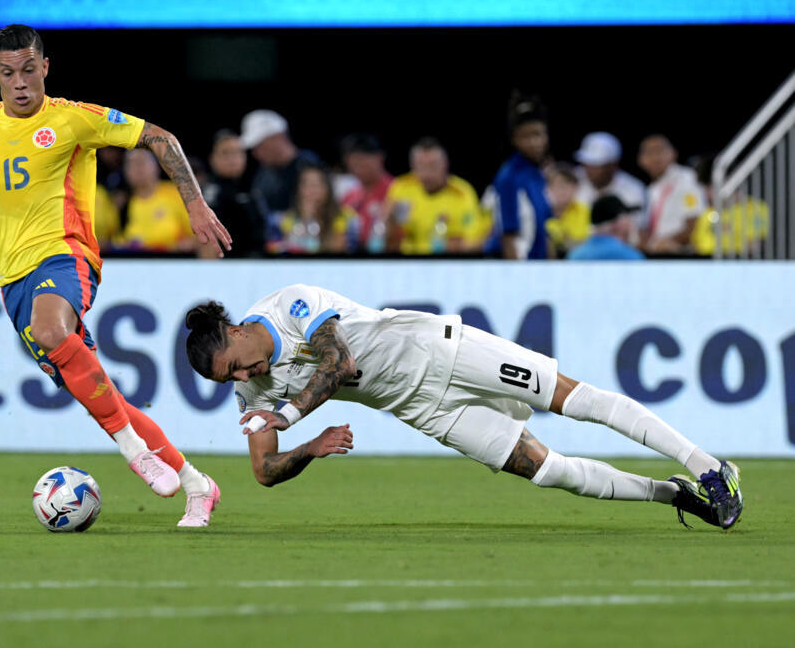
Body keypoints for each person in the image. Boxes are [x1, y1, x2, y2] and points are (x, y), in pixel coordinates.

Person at [0, 24, 232, 527]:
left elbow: (159, 137)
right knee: (100, 392)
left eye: (30, 70)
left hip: (66, 256)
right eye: (9, 73)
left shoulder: (73, 119)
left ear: (45, 67)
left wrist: (194, 206)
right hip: (12, 282)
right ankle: (196, 482)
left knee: (52, 330)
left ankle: (132, 451)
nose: (21, 82)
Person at [183, 284, 743, 530]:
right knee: (550, 472)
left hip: (445, 350)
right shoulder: (253, 391)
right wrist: (308, 446)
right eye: (230, 379)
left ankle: (710, 468)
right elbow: (263, 470)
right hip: (425, 408)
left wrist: (292, 415)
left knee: (575, 400)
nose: (244, 378)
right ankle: (676, 494)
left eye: (235, 364)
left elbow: (338, 362)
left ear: (235, 330)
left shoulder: (288, 305)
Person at [384, 137, 487, 255]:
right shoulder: (402, 188)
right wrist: (390, 222)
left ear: (445, 164)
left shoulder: (461, 193)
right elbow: (387, 240)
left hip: (446, 262)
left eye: (433, 166)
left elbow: (474, 241)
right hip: (406, 262)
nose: (427, 173)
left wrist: (458, 246)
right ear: (412, 166)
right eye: (421, 166)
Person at [486, 94, 552, 260]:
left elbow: (544, 230)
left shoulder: (538, 175)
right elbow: (508, 236)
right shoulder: (508, 178)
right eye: (525, 136)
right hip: (519, 271)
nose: (533, 143)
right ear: (514, 140)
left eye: (537, 134)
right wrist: (517, 279)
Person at [116, 148, 197, 254]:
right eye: (131, 164)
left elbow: (198, 237)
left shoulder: (175, 194)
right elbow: (116, 241)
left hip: (174, 261)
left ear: (156, 166)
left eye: (141, 162)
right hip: (135, 263)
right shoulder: (123, 202)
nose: (136, 168)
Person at [240, 109, 322, 214]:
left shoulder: (309, 165)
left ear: (278, 138)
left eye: (260, 146)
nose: (256, 154)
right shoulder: (262, 176)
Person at [202, 129, 268, 257]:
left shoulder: (252, 188)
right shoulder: (210, 193)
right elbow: (206, 240)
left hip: (257, 266)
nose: (233, 159)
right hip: (227, 268)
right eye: (226, 153)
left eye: (238, 152)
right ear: (212, 158)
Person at [638, 134, 705, 255]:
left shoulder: (687, 179)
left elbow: (695, 223)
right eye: (649, 152)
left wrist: (667, 241)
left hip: (682, 254)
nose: (655, 157)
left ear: (673, 153)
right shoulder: (651, 189)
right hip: (657, 253)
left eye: (659, 151)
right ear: (641, 160)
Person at [268, 165, 358, 254]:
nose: (312, 190)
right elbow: (286, 251)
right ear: (298, 189)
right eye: (306, 184)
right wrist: (305, 219)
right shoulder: (284, 219)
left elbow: (337, 251)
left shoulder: (345, 216)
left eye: (317, 184)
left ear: (328, 188)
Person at [573, 132, 647, 229]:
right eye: (587, 164)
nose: (589, 170)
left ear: (613, 166)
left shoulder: (634, 189)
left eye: (596, 165)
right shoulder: (575, 179)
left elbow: (634, 228)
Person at [338, 133, 393, 253]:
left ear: (379, 157)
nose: (357, 167)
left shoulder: (395, 191)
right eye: (353, 162)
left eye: (361, 160)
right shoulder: (349, 197)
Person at [567, 195, 645, 260]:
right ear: (618, 223)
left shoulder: (574, 256)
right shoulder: (631, 257)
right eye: (627, 217)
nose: (631, 222)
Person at [544, 162, 590, 257]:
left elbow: (586, 244)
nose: (563, 190)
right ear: (548, 188)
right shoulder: (540, 212)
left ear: (576, 188)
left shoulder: (586, 211)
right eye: (559, 185)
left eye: (568, 185)